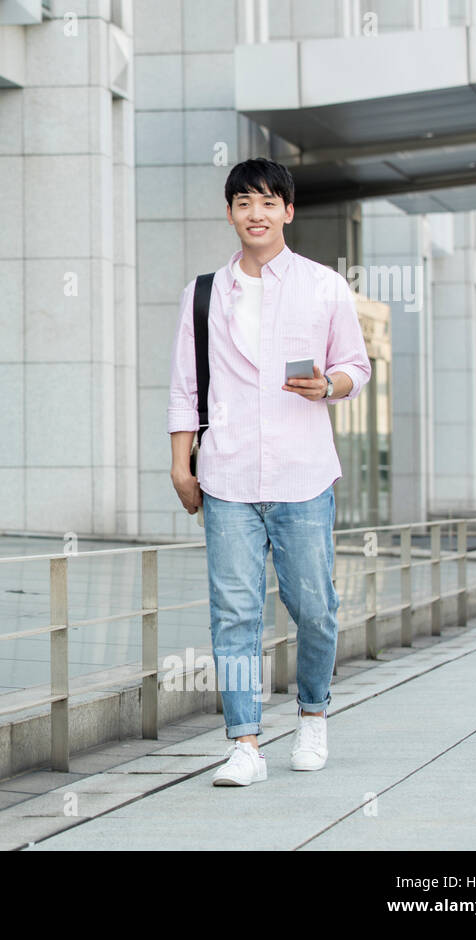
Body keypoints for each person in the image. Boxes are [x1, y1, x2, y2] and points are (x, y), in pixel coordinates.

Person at [165, 157, 372, 787]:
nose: (254, 214)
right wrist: (181, 464)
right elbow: (184, 388)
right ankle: (245, 744)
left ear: (287, 210)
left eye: (267, 202)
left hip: (302, 474)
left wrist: (327, 385)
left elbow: (356, 367)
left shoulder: (323, 286)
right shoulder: (203, 293)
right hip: (226, 474)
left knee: (314, 606)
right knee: (233, 612)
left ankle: (313, 714)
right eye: (242, 203)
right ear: (230, 213)